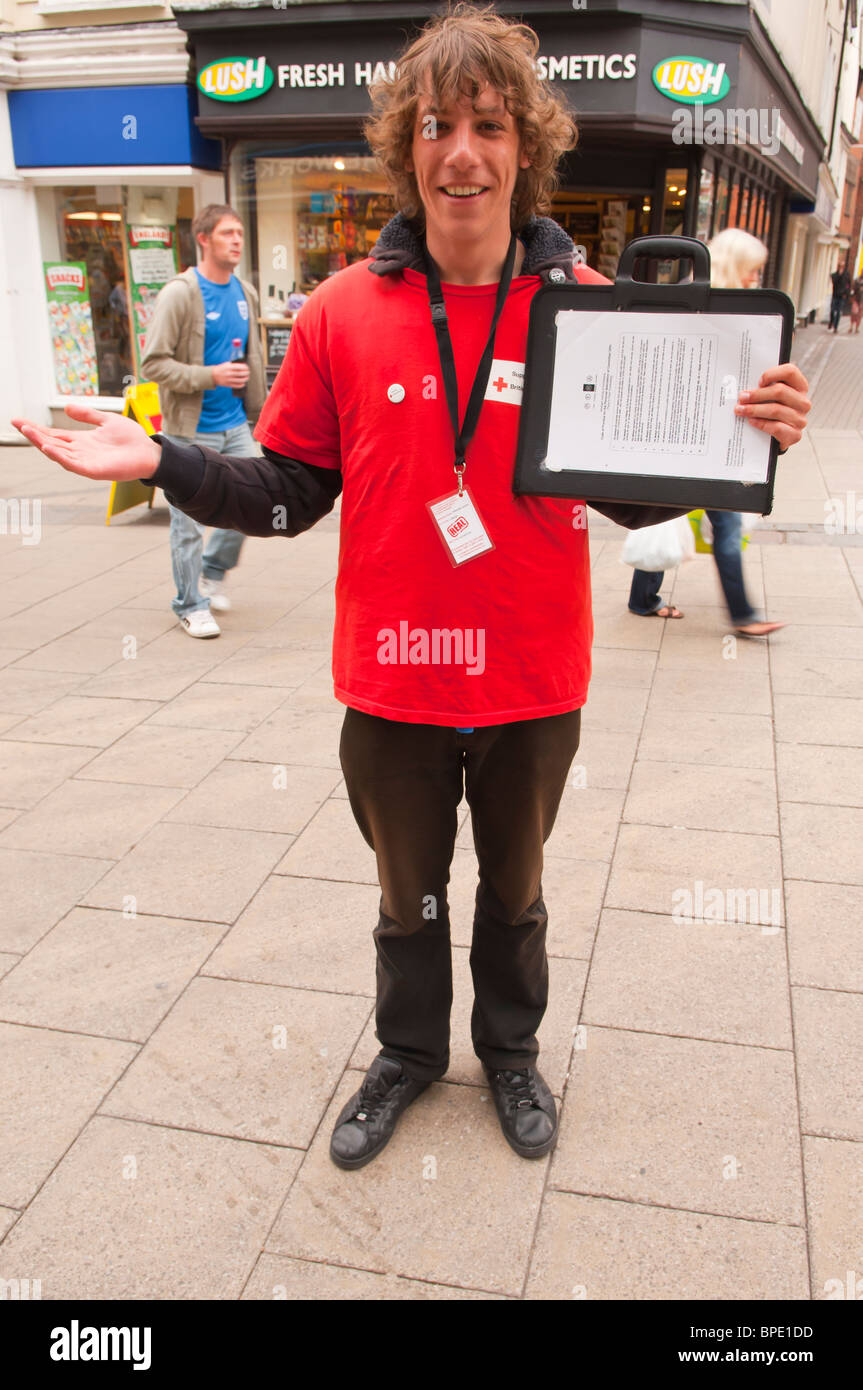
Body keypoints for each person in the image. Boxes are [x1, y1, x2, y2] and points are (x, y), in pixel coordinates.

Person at [12, 3, 811, 1171]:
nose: (462, 151)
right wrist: (166, 461)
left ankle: (511, 1050)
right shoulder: (340, 312)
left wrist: (754, 437)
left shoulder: (585, 307)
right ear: (407, 148)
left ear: (523, 148)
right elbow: (287, 490)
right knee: (407, 897)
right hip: (391, 683)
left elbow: (639, 497)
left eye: (487, 125)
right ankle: (406, 1052)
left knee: (516, 891)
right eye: (436, 125)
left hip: (534, 678)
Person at [629, 227, 788, 637]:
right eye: (752, 271)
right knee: (722, 525)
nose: (756, 279)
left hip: (708, 438)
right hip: (693, 438)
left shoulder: (727, 305)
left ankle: (643, 599)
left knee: (666, 516)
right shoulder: (699, 303)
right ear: (734, 266)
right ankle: (743, 616)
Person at [141, 205, 266, 637]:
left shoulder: (244, 292)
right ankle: (190, 604)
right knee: (188, 522)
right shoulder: (181, 293)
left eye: (239, 234)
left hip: (235, 426)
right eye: (228, 233)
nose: (236, 240)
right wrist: (207, 376)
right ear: (203, 239)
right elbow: (152, 363)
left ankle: (212, 571)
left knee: (257, 503)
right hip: (189, 430)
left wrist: (259, 413)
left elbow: (252, 355)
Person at [829, 262, 850, 333]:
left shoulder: (846, 275)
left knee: (838, 312)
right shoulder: (835, 275)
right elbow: (834, 282)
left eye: (842, 266)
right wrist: (839, 275)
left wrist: (846, 294)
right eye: (840, 266)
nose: (841, 268)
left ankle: (835, 327)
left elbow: (848, 285)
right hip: (835, 295)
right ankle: (831, 321)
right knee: (832, 310)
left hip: (842, 296)